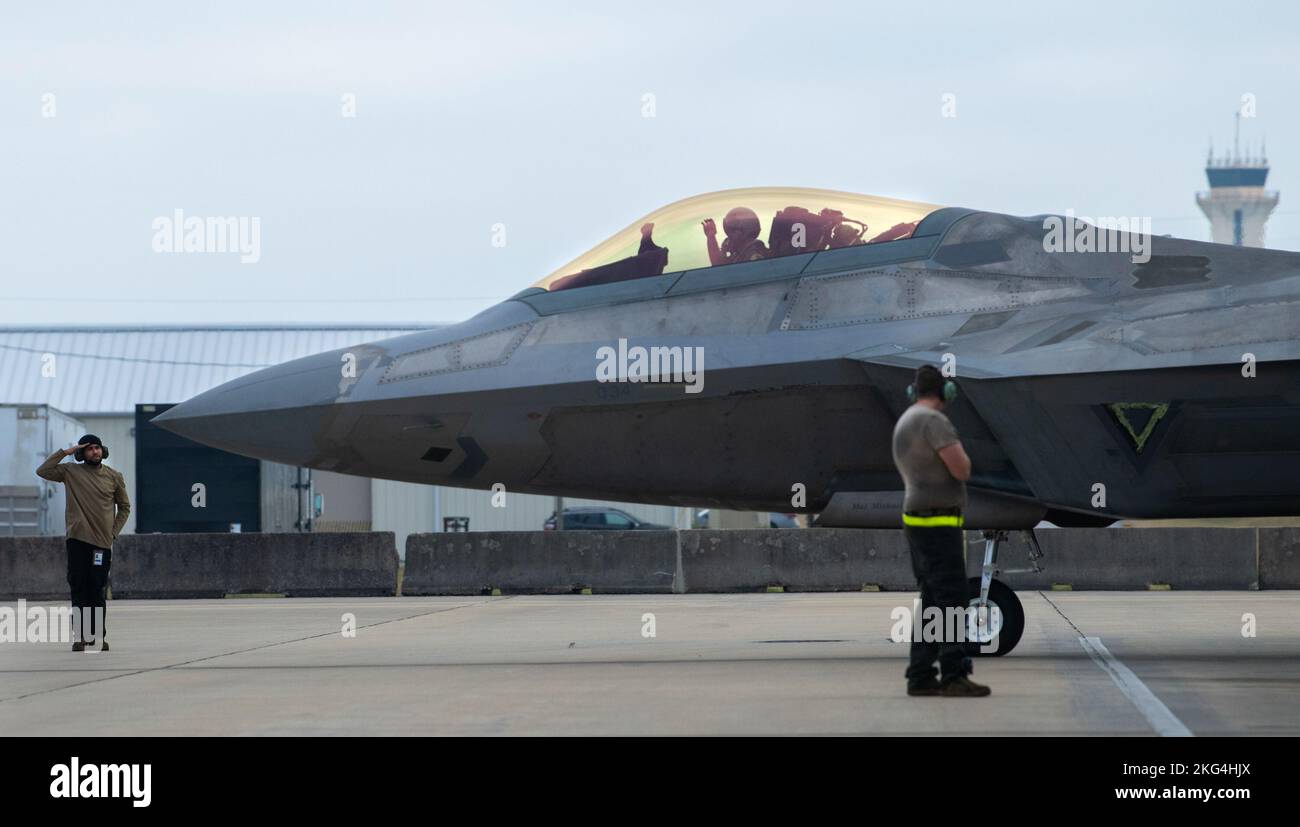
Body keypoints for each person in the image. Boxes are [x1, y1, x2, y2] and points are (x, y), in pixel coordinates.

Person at [891, 365, 990, 697]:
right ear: (945, 392)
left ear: (913, 391)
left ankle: (920, 675)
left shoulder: (906, 419)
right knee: (952, 598)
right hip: (937, 520)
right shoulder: (933, 422)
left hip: (917, 516)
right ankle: (953, 675)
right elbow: (961, 469)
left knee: (932, 599)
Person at [35, 435, 130, 651]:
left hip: (102, 544)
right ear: (81, 453)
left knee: (96, 589)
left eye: (97, 448)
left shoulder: (114, 476)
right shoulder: (70, 472)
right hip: (77, 540)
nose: (94, 452)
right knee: (79, 588)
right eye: (89, 449)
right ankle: (80, 636)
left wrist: (113, 533)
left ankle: (98, 635)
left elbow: (125, 507)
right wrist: (66, 452)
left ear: (102, 450)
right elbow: (42, 471)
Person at [701, 207, 769, 266]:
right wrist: (711, 236)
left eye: (732, 231)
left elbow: (722, 273)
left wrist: (711, 236)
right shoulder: (741, 252)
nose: (729, 238)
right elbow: (719, 264)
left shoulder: (754, 252)